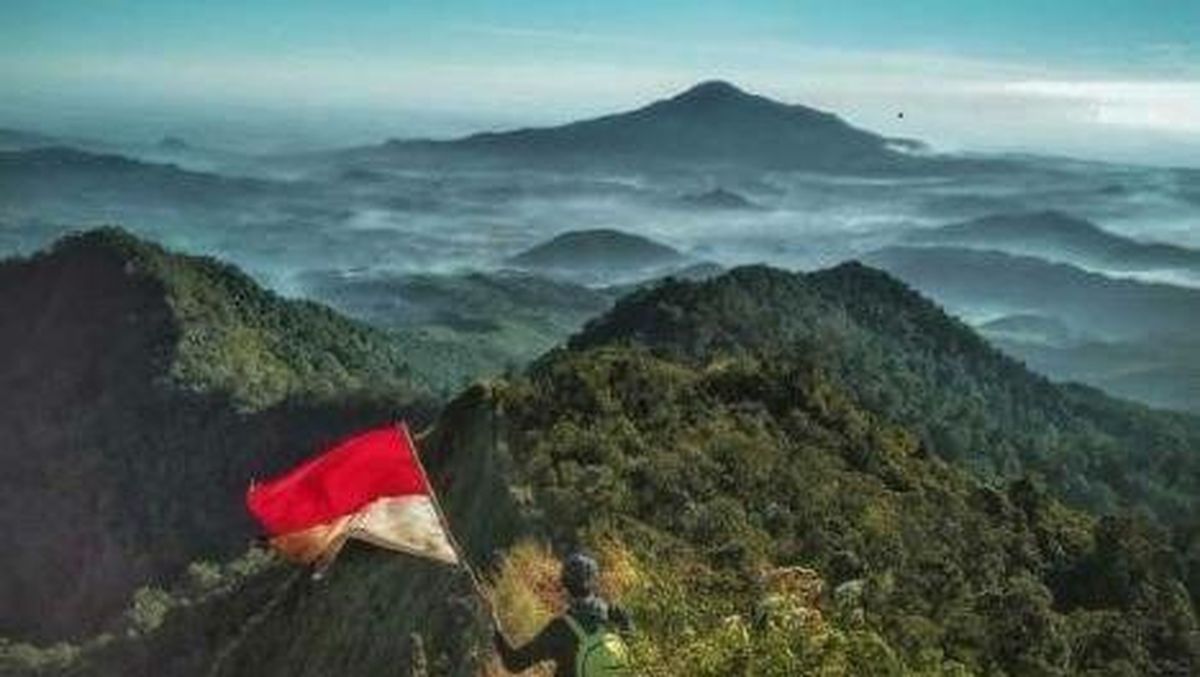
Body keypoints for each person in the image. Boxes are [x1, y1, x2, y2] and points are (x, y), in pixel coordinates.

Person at [492, 552, 632, 676]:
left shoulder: (560, 628)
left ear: (565, 586)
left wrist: (496, 628)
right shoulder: (616, 617)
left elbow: (514, 663)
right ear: (594, 583)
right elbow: (633, 656)